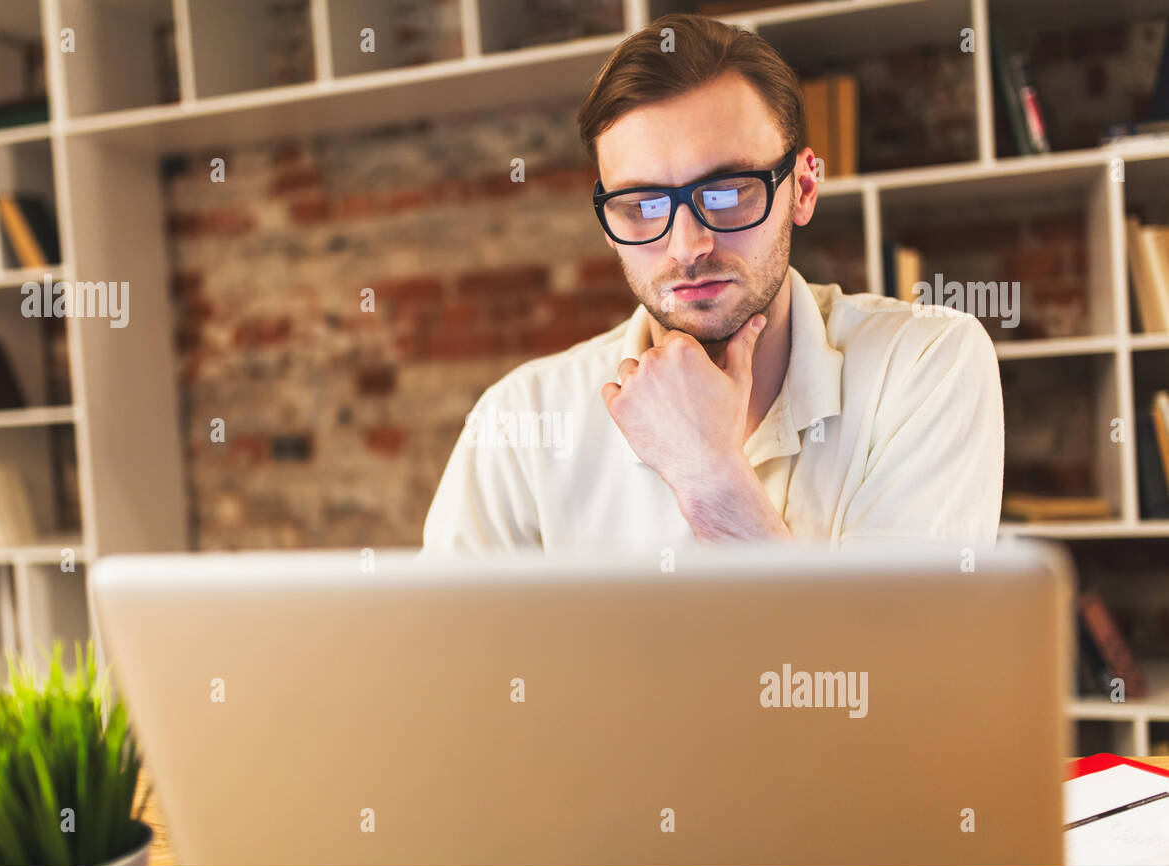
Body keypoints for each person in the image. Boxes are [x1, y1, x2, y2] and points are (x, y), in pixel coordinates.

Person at [423, 14, 1003, 555]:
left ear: (803, 189)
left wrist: (709, 476)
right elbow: (450, 638)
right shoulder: (518, 421)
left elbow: (899, 639)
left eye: (727, 193)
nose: (687, 247)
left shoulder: (927, 364)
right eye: (643, 204)